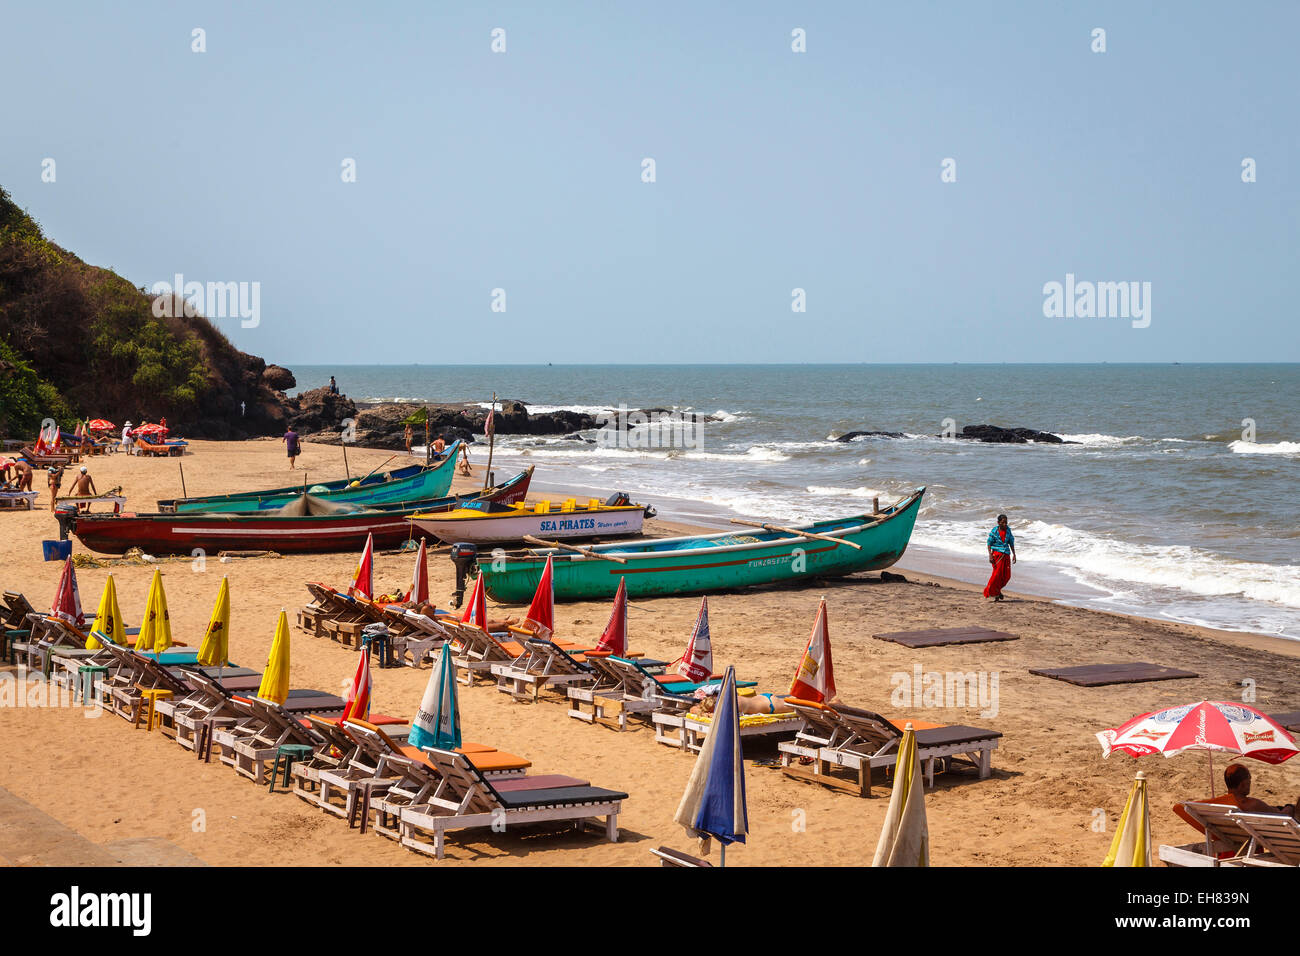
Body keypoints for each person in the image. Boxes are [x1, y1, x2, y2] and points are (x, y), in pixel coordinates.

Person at [1223, 763, 1299, 819]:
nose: (1250, 782)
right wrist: (1290, 806)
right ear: (1242, 784)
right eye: (1249, 779)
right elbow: (1283, 816)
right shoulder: (1252, 804)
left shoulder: (1221, 804)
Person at [983, 513, 1016, 601]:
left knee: (1006, 576)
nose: (1005, 524)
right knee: (996, 575)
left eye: (1006, 522)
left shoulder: (1008, 531)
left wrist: (1014, 554)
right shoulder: (994, 531)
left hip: (1006, 555)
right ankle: (992, 592)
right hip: (997, 555)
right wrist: (990, 555)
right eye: (1003, 522)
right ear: (998, 523)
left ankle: (997, 591)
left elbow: (1011, 543)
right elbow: (989, 543)